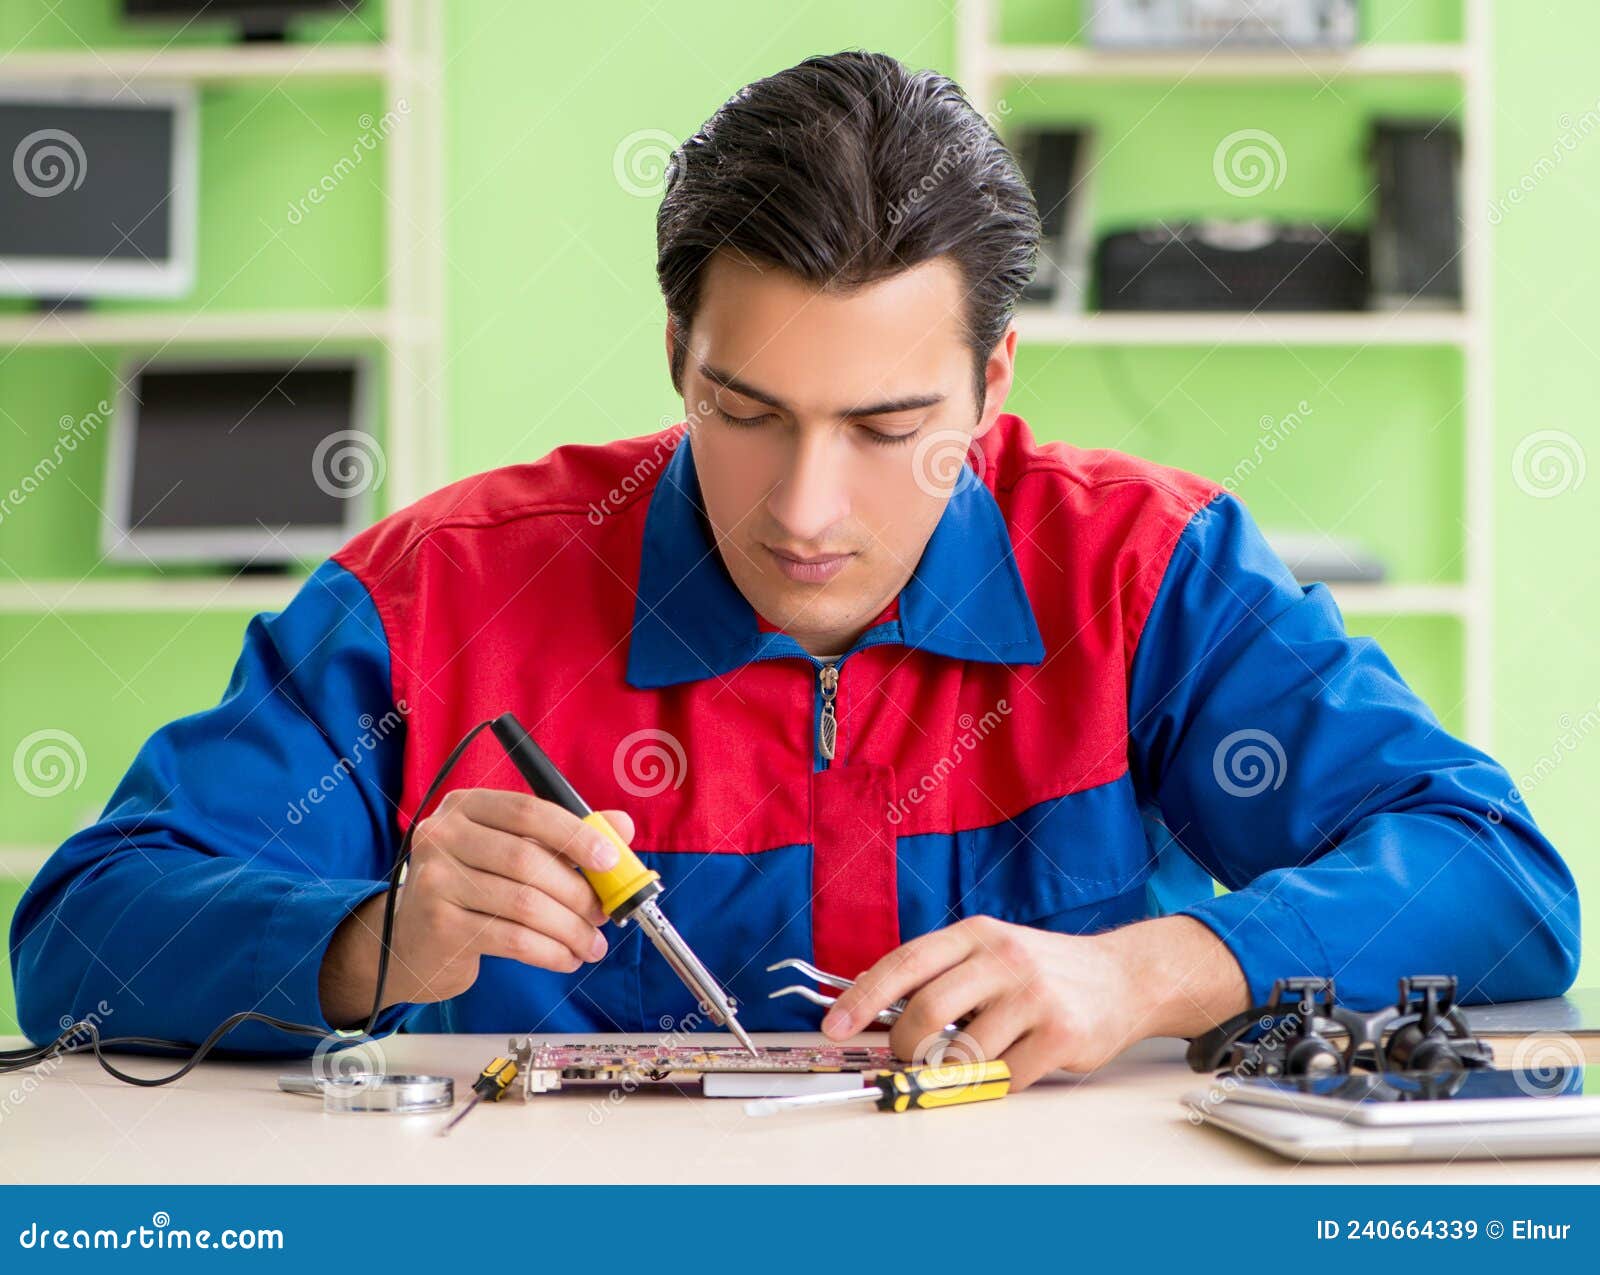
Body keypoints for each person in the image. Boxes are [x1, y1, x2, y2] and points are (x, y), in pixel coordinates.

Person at [11, 51, 1577, 1090]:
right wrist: (368, 943)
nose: (805, 508)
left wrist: (1155, 973)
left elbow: (1504, 884)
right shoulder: (436, 594)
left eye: (890, 424)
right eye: (743, 413)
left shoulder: (1144, 569)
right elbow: (80, 937)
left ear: (993, 383)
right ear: (677, 356)